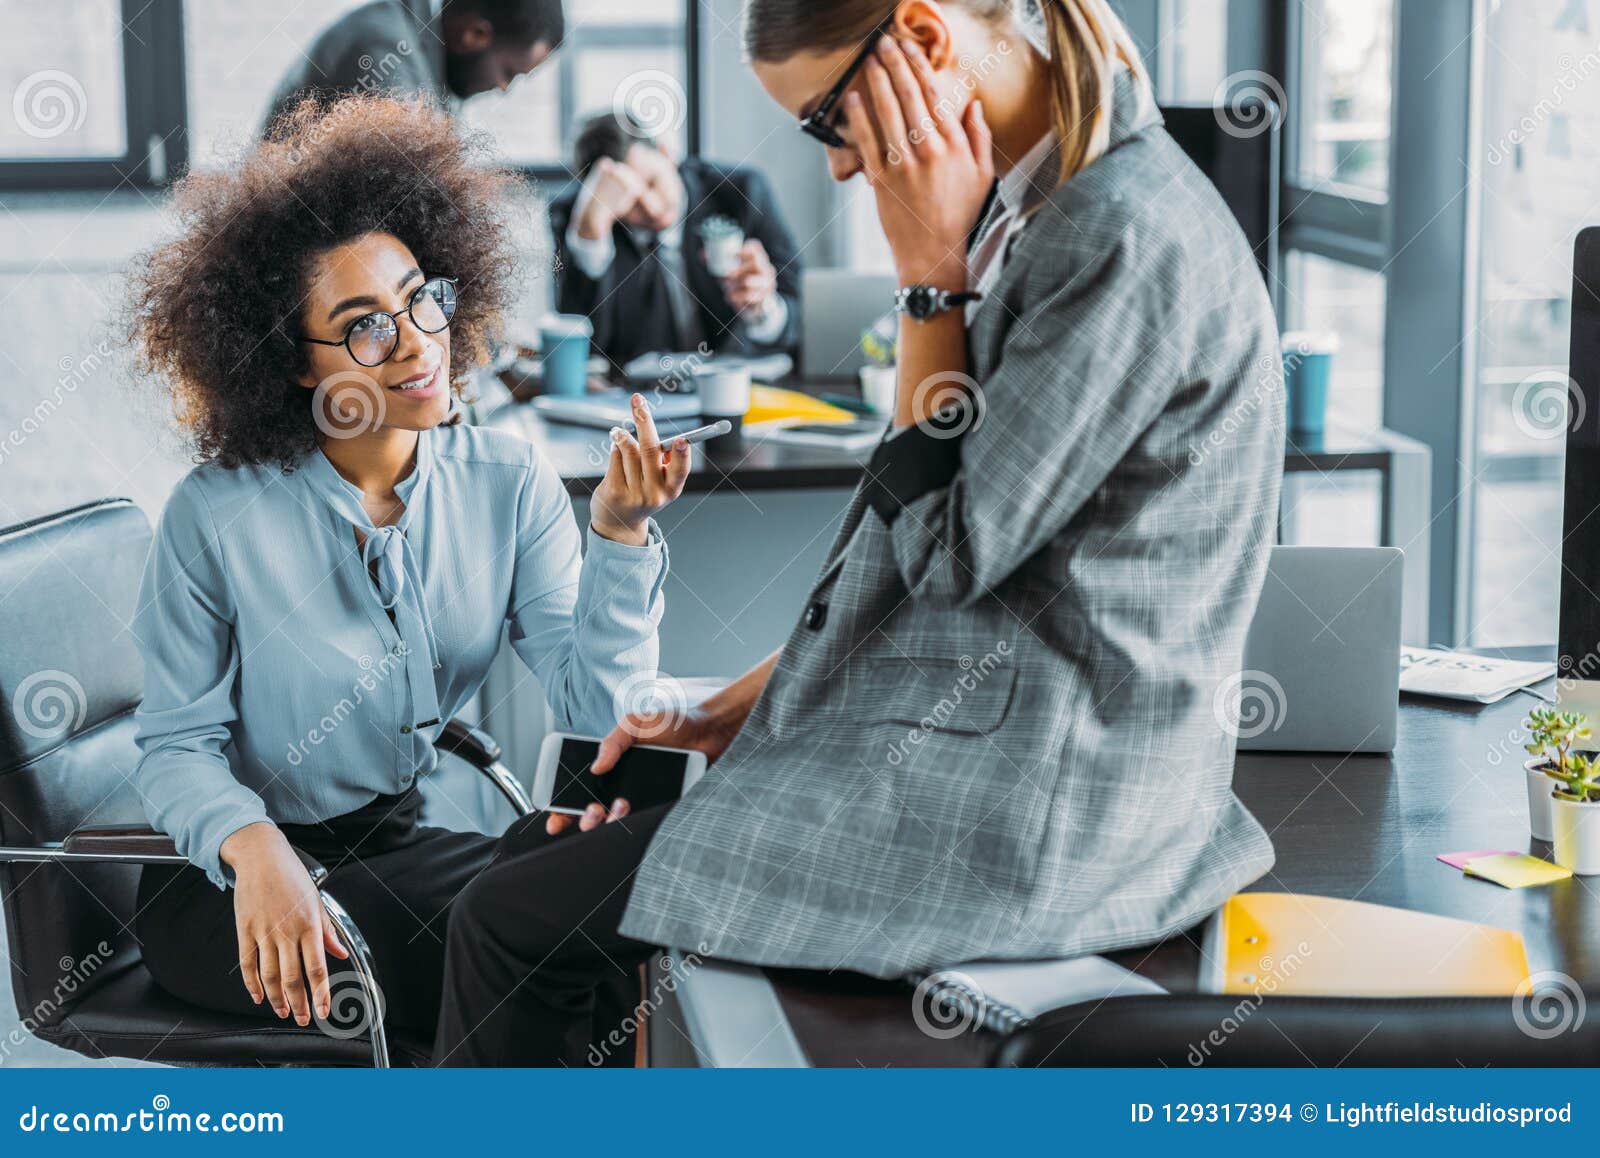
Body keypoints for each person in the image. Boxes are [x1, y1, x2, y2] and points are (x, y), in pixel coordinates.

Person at [431, 0, 1284, 1067]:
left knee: (506, 922)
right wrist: (742, 703)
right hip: (989, 747)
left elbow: (953, 555)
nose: (837, 170)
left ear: (923, 42)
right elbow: (965, 557)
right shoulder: (1047, 208)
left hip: (1038, 814)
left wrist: (928, 279)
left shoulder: (1113, 233)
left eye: (828, 124)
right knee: (530, 853)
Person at [125, 95, 690, 1050]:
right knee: (532, 956)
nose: (417, 341)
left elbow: (599, 718)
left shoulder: (508, 482)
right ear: (294, 365)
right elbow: (174, 746)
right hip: (232, 886)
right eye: (364, 327)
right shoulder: (214, 514)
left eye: (422, 298)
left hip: (396, 852)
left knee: (579, 900)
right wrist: (255, 846)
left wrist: (621, 538)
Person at [548, 111, 803, 370]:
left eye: (651, 182)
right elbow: (578, 349)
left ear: (665, 152)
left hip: (739, 386)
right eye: (629, 201)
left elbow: (802, 316)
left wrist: (764, 309)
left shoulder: (742, 191)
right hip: (636, 397)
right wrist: (590, 237)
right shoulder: (577, 220)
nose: (651, 208)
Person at [262, 0, 563, 133]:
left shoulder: (422, 57)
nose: (504, 89)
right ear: (474, 35)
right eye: (510, 73)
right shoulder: (385, 50)